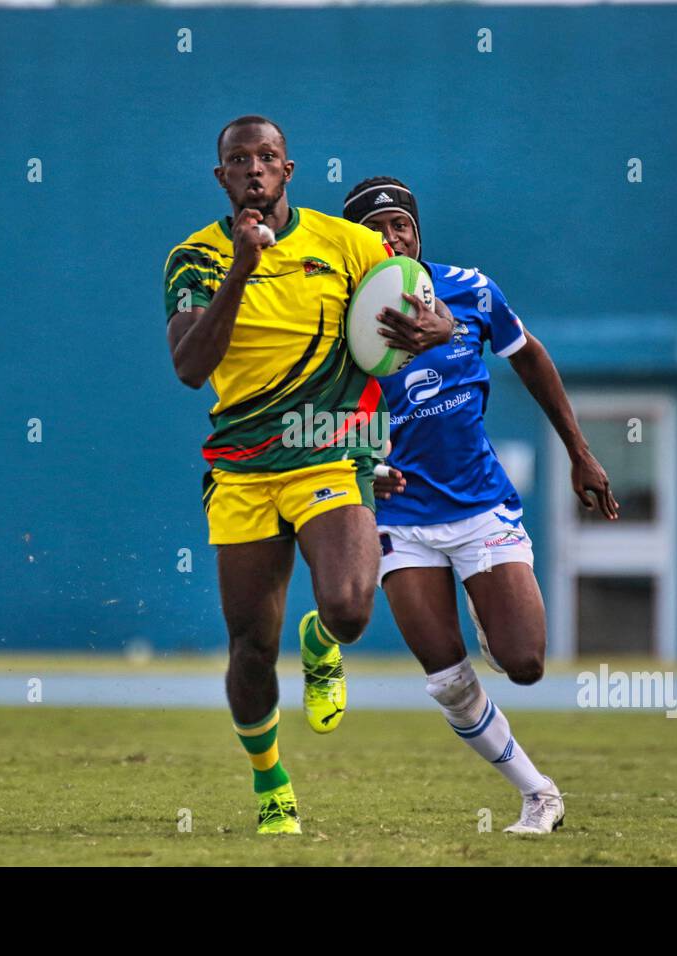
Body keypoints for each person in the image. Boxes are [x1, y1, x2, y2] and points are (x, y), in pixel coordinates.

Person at [162, 120, 442, 834]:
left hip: (327, 449)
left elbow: (421, 301)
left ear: (288, 169)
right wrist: (242, 270)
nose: (252, 170)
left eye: (265, 159)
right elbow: (191, 368)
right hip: (244, 467)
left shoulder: (347, 244)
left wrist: (433, 329)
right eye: (237, 161)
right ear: (220, 177)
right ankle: (270, 782)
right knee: (252, 647)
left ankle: (321, 641)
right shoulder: (193, 259)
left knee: (349, 609)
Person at [342, 176, 619, 833]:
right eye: (375, 229)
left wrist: (581, 452)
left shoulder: (469, 288)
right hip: (402, 519)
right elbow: (314, 412)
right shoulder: (339, 317)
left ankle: (485, 597)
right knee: (447, 681)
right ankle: (537, 793)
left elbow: (530, 358)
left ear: (416, 231)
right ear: (357, 241)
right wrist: (359, 468)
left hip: (479, 508)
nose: (391, 237)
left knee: (524, 664)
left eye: (401, 225)